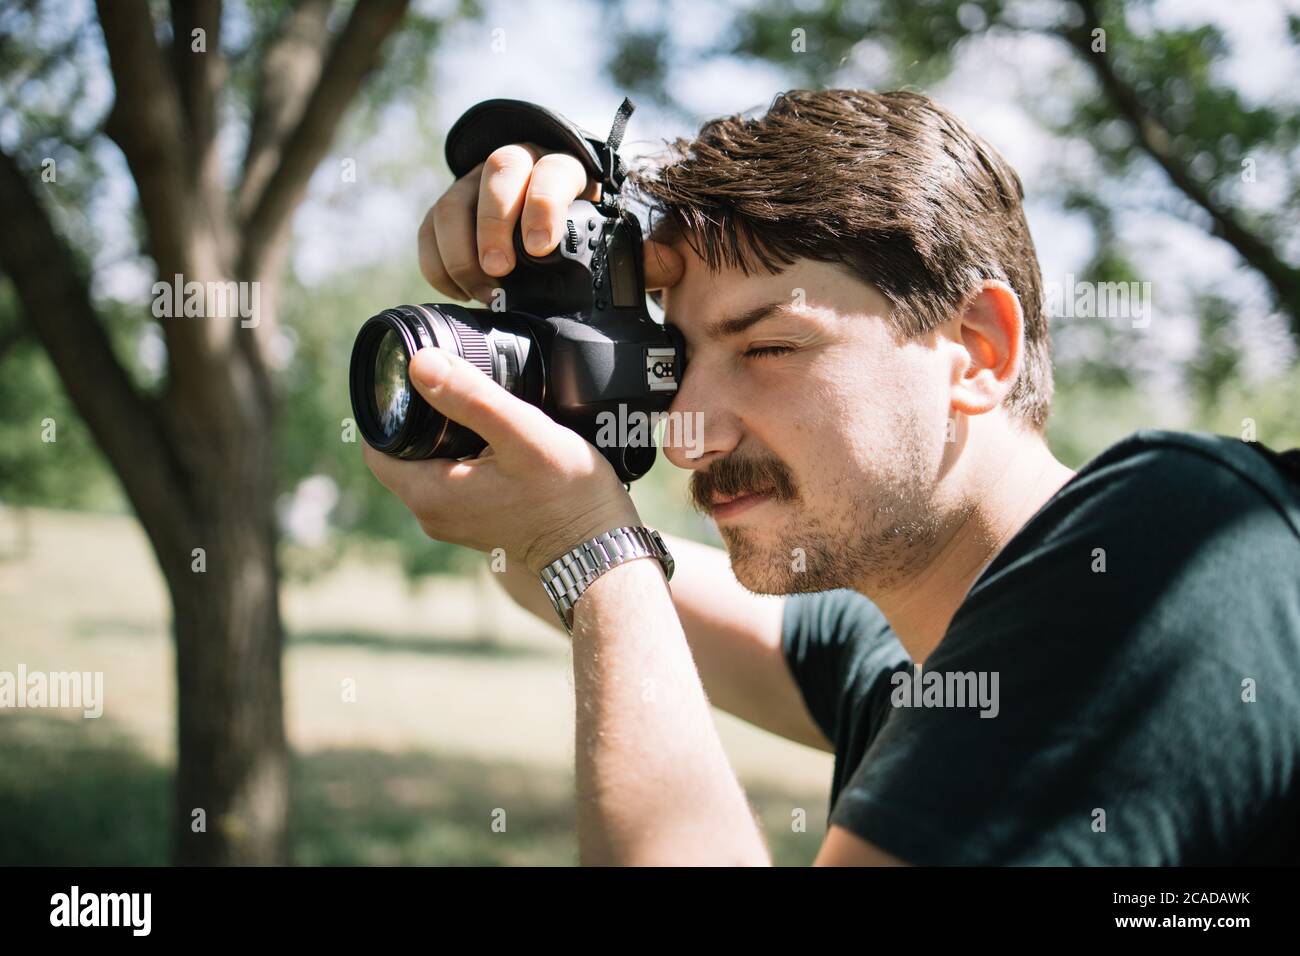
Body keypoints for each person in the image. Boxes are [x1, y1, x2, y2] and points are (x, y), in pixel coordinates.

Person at [364, 89, 1300, 865]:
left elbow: (587, 566)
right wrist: (563, 267)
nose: (690, 433)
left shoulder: (1171, 544)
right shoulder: (901, 668)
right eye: (673, 358)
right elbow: (542, 569)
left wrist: (592, 543)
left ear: (977, 350)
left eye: (767, 345)